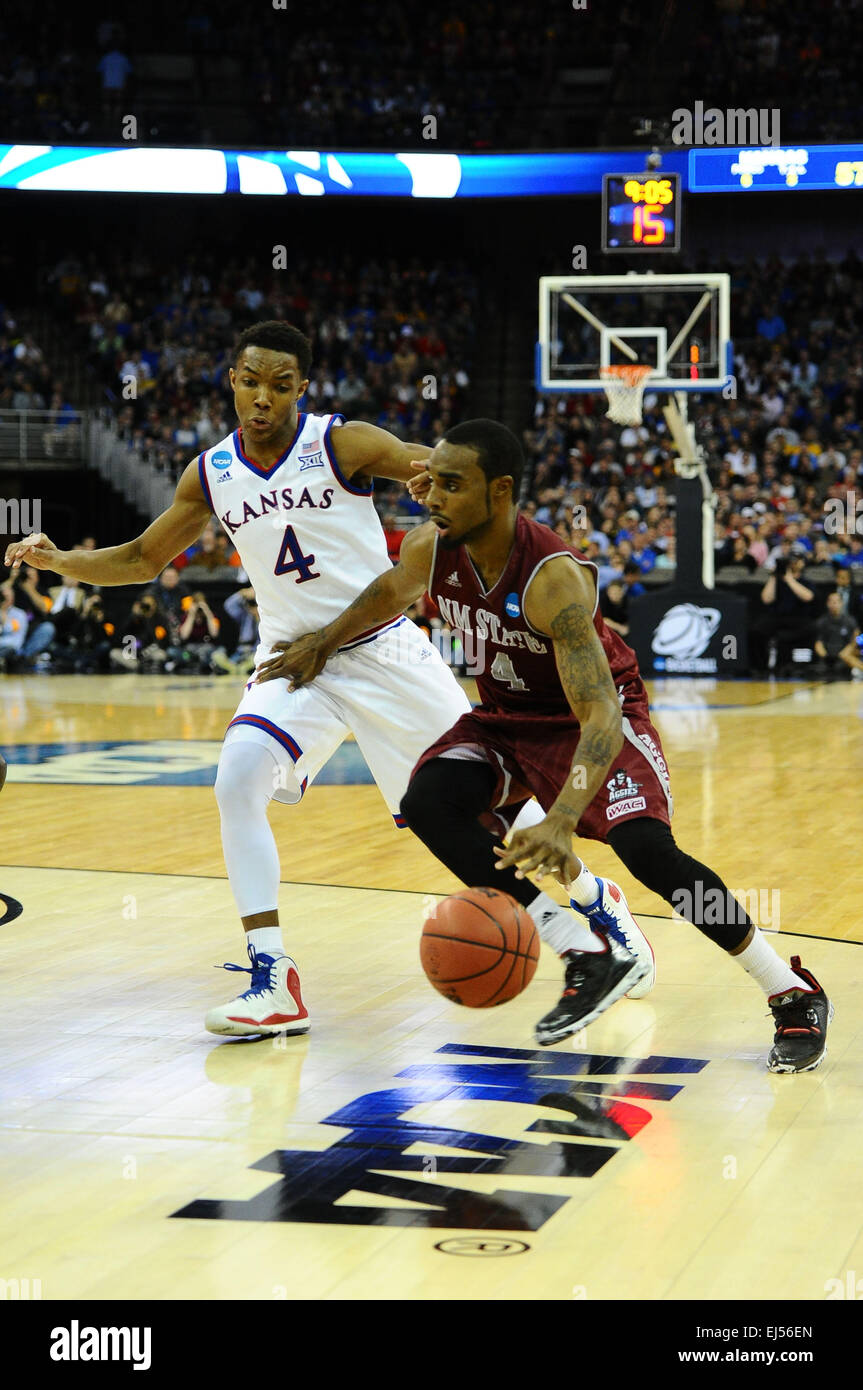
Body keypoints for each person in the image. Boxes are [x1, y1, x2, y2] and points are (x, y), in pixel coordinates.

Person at [5, 321, 529, 1038]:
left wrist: (445, 490)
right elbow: (140, 560)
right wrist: (59, 560)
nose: (262, 398)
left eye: (280, 386)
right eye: (250, 381)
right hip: (291, 659)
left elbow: (440, 474)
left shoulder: (341, 443)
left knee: (493, 803)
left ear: (301, 389)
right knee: (236, 780)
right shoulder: (211, 472)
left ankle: (596, 919)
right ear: (231, 380)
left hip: (382, 647)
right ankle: (272, 974)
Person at [275, 419, 832, 1074]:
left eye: (451, 485)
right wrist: (324, 639)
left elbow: (596, 711)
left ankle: (788, 990)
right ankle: (583, 950)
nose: (431, 496)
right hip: (507, 720)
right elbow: (389, 591)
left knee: (645, 850)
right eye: (433, 482)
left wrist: (562, 820)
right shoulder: (431, 546)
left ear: (500, 492)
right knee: (429, 801)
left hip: (593, 717)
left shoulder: (550, 577)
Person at [813, 591, 862, 681]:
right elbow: (818, 643)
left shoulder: (850, 621)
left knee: (848, 657)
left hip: (844, 655)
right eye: (831, 601)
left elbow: (854, 641)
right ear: (827, 603)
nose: (834, 604)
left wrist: (844, 653)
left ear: (841, 603)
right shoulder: (822, 621)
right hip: (828, 658)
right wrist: (826, 657)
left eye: (836, 601)